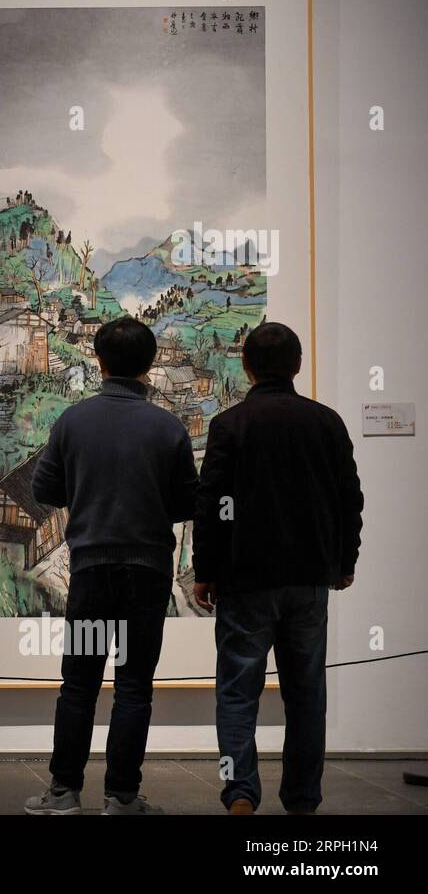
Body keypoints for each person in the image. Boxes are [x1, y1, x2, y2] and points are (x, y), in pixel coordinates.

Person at [25, 316, 198, 816]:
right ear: (149, 365)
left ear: (98, 361)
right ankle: (122, 796)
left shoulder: (72, 422)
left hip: (91, 571)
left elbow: (44, 491)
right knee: (134, 684)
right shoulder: (167, 427)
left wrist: (86, 493)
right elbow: (188, 503)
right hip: (147, 571)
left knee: (78, 682)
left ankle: (62, 793)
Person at [193, 322, 363, 815]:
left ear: (245, 366)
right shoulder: (327, 422)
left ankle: (240, 793)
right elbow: (349, 498)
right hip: (310, 578)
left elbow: (214, 504)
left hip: (246, 579)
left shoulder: (229, 426)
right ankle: (304, 800)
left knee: (237, 694)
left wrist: (206, 569)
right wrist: (344, 560)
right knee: (307, 696)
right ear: (298, 365)